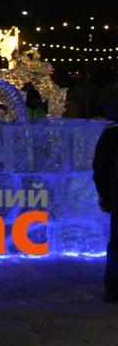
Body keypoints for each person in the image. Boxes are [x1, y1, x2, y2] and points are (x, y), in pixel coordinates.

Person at [92, 104, 118, 302]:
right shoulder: (111, 132)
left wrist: (104, 195)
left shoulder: (111, 132)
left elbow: (100, 168)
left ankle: (114, 290)